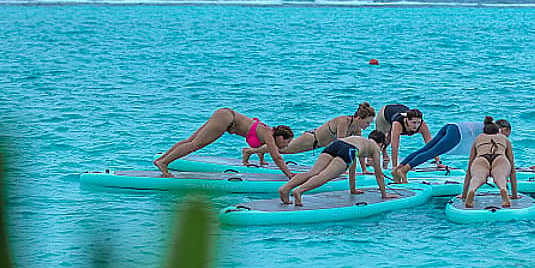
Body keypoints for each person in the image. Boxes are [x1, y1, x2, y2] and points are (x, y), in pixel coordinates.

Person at [154, 108, 295, 177]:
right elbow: (276, 157)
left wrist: (261, 161)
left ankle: (162, 159)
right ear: (281, 137)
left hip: (225, 116)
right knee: (195, 144)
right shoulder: (268, 133)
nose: (286, 146)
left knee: (190, 141)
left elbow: (263, 147)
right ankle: (164, 162)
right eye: (287, 142)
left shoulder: (268, 135)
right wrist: (289, 175)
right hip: (227, 118)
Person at [278, 131, 391, 207]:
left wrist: (353, 189)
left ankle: (285, 188)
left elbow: (353, 168)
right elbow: (379, 174)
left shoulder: (360, 140)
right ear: (381, 143)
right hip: (348, 149)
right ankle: (299, 191)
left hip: (337, 144)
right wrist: (384, 194)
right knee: (325, 176)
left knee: (313, 172)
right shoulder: (375, 148)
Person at [245, 102, 376, 163]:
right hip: (311, 138)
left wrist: (364, 169)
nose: (368, 125)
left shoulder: (357, 129)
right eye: (367, 122)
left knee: (282, 150)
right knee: (283, 150)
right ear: (359, 118)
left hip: (318, 145)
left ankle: (257, 152)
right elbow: (341, 145)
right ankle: (250, 151)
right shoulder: (343, 122)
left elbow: (357, 150)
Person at [390, 118, 486, 183]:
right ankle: (404, 170)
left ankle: (397, 169)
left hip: (451, 126)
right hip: (457, 134)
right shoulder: (495, 133)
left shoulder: (489, 126)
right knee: (432, 153)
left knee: (425, 150)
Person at [460, 118, 519, 208]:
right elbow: (512, 170)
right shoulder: (504, 138)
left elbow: (469, 171)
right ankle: (503, 189)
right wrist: (514, 195)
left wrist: (463, 195)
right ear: (497, 130)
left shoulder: (478, 138)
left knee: (477, 177)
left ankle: (472, 189)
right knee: (501, 177)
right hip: (499, 157)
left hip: (482, 158)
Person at [375, 103, 436, 169]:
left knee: (389, 138)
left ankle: (384, 152)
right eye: (413, 123)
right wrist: (395, 167)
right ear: (407, 120)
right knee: (380, 139)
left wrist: (438, 162)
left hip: (401, 108)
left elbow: (431, 144)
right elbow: (394, 147)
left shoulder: (422, 125)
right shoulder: (397, 124)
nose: (416, 126)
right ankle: (378, 154)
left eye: (418, 122)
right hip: (385, 113)